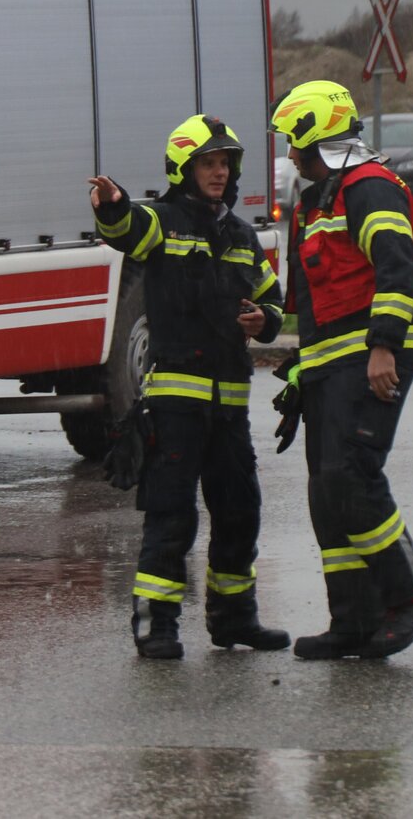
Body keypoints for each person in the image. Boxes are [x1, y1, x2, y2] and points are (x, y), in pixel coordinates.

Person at [89, 115, 288, 659]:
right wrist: (112, 206)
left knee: (239, 512)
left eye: (224, 162)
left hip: (229, 410)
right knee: (172, 517)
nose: (219, 172)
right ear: (184, 168)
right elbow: (125, 229)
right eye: (208, 163)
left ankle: (233, 619)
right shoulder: (163, 220)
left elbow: (274, 300)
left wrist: (264, 321)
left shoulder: (243, 235)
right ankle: (157, 627)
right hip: (176, 405)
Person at [270, 80, 413, 660]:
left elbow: (398, 268)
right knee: (326, 493)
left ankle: (408, 593)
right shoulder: (322, 197)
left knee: (350, 478)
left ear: (317, 136)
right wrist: (300, 366)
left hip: (370, 359)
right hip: (330, 365)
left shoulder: (368, 190)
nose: (289, 154)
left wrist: (384, 346)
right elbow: (321, 299)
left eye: (293, 142)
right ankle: (354, 620)